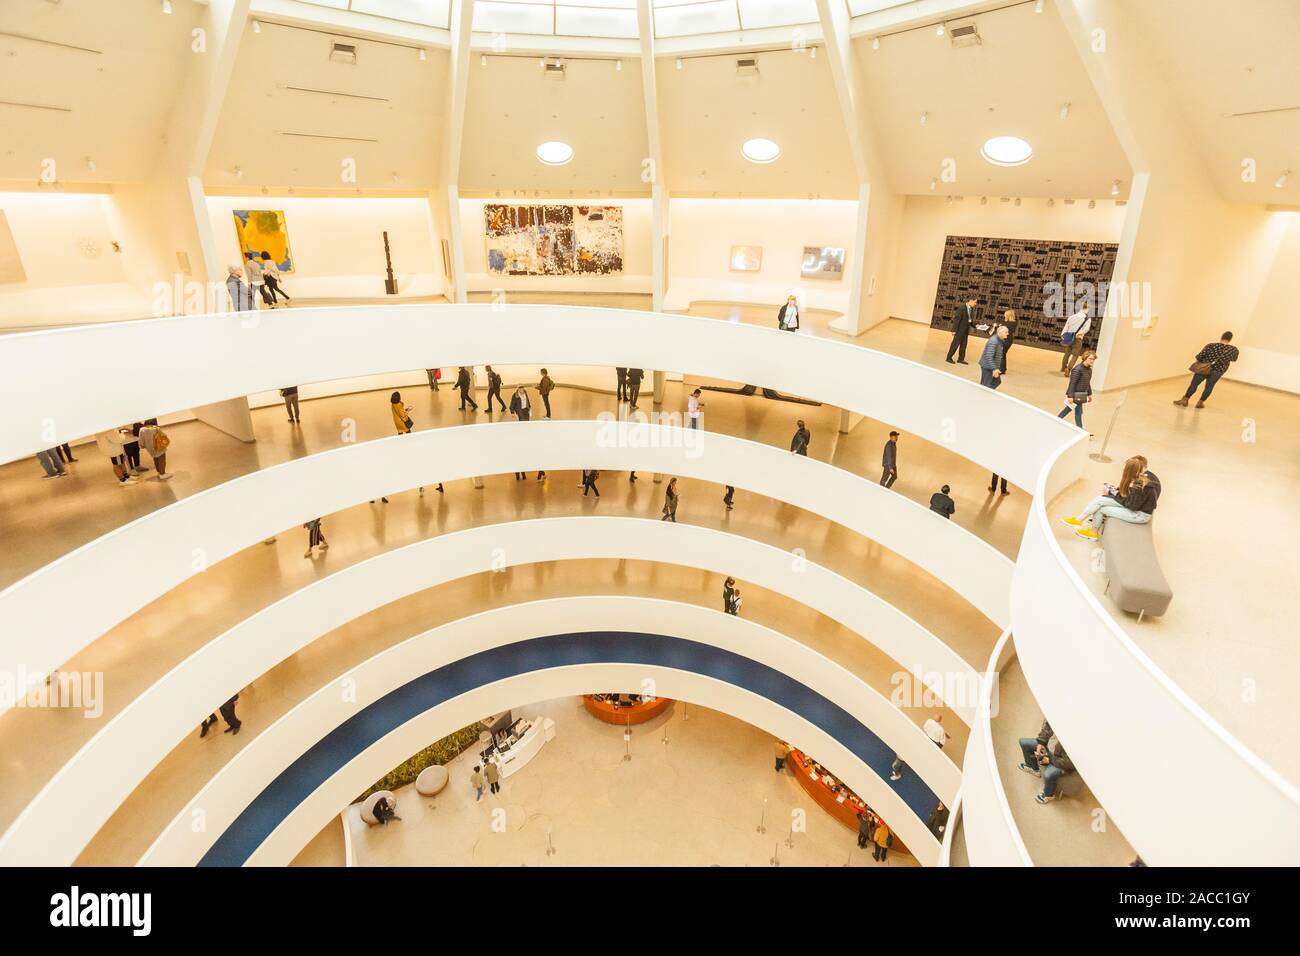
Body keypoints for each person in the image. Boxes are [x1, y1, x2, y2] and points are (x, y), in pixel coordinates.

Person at [1062, 455, 1157, 540]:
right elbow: (1132, 498)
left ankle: (1091, 532)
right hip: (1136, 508)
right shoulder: (1141, 479)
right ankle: (1079, 521)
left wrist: (1114, 495)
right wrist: (1115, 493)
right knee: (1100, 499)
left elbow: (1132, 506)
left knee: (1101, 508)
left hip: (1140, 515)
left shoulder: (1141, 485)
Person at [1174, 331, 1239, 408]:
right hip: (1218, 371)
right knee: (1209, 387)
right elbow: (1233, 359)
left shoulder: (1211, 345)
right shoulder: (1234, 350)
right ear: (1230, 339)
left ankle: (1185, 400)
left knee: (1194, 384)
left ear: (1221, 337)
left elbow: (1200, 356)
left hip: (1203, 368)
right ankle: (1200, 403)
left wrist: (1197, 364)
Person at [1017, 719, 1075, 804]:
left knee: (1048, 774)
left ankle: (1048, 794)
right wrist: (1041, 743)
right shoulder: (1060, 716)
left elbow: (1069, 763)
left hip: (1061, 761)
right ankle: (1032, 768)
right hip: (1049, 748)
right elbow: (1048, 727)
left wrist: (1049, 760)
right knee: (1024, 742)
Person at [1057, 350, 1095, 428]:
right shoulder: (1077, 369)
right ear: (1085, 358)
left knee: (1070, 410)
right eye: (1090, 358)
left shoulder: (1089, 370)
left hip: (1081, 395)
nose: (1092, 361)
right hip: (1075, 394)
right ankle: (1080, 429)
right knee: (1078, 412)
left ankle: (1056, 420)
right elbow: (1072, 384)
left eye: (1093, 359)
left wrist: (1089, 394)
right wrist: (1070, 396)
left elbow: (1087, 383)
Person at [1059, 301, 1091, 375]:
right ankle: (1069, 368)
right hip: (1078, 338)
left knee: (1067, 353)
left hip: (1068, 337)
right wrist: (1079, 334)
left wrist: (1063, 335)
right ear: (1087, 308)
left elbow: (1066, 326)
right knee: (1075, 355)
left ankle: (1063, 367)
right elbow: (1086, 329)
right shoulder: (1087, 319)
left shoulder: (1072, 316)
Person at [945, 296, 978, 364]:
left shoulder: (971, 309)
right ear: (971, 300)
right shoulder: (961, 308)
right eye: (975, 302)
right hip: (959, 330)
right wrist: (954, 330)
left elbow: (970, 320)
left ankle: (961, 359)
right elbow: (957, 320)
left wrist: (976, 326)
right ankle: (949, 358)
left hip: (965, 331)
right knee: (955, 344)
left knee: (963, 345)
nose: (975, 304)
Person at [978, 325, 1009, 389]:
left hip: (992, 366)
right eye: (1006, 332)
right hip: (988, 366)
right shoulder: (994, 341)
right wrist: (994, 369)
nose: (1008, 334)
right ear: (1000, 332)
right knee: (985, 385)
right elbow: (989, 356)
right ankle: (983, 396)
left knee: (996, 381)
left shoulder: (999, 340)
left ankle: (987, 394)